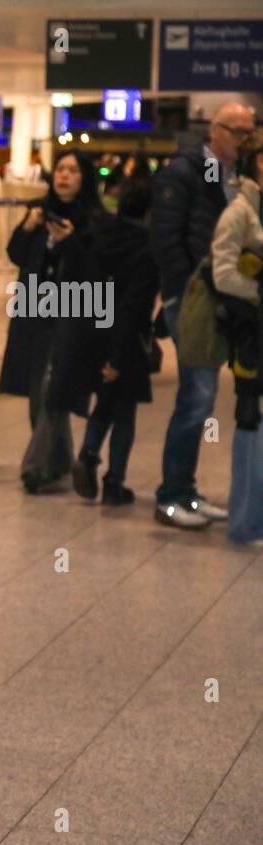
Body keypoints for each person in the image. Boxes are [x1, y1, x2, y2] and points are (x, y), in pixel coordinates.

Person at [151, 101, 257, 528]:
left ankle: (186, 490)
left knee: (203, 396)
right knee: (196, 396)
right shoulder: (184, 173)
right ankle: (171, 495)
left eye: (250, 132)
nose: (245, 140)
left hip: (217, 301)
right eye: (238, 132)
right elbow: (166, 241)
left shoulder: (230, 177)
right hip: (193, 300)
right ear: (214, 130)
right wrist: (186, 291)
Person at [0, 149, 106, 493]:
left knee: (54, 390)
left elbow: (96, 268)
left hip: (74, 312)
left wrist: (72, 240)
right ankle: (59, 460)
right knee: (37, 394)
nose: (63, 176)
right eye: (60, 169)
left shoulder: (93, 219)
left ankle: (36, 466)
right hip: (37, 311)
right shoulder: (39, 212)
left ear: (83, 178)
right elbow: (16, 254)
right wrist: (27, 227)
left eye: (72, 171)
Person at [69, 171, 160, 505]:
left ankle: (89, 454)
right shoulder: (147, 249)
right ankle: (114, 481)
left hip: (93, 332)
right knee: (125, 413)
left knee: (105, 402)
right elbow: (135, 305)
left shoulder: (100, 236)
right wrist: (119, 357)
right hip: (125, 339)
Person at [210, 134, 263, 544]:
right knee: (251, 422)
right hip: (252, 337)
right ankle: (246, 523)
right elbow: (222, 274)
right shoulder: (239, 212)